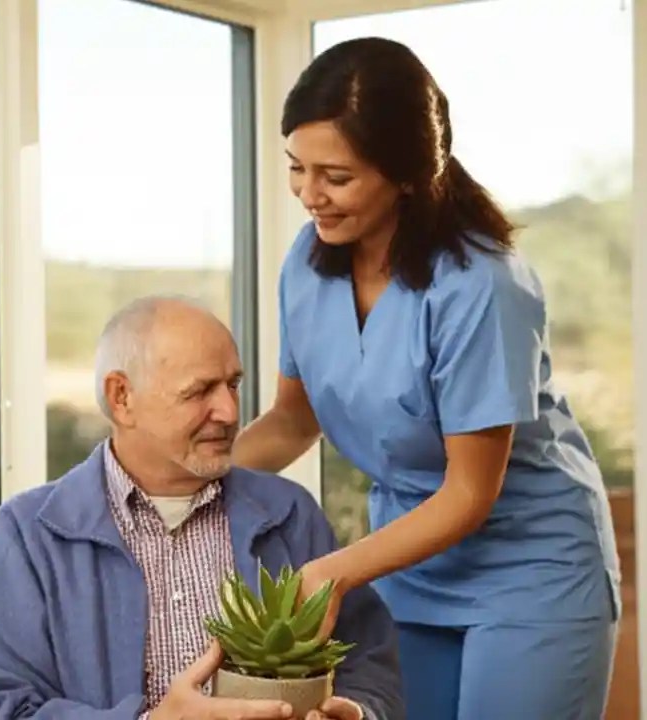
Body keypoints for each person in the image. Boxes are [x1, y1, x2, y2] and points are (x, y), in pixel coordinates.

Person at [231, 37, 621, 720]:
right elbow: (294, 419)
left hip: (531, 573)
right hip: (408, 568)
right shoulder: (310, 260)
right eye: (298, 168)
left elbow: (470, 491)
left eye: (337, 176)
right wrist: (183, 475)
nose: (309, 195)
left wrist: (329, 574)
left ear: (407, 173)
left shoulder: (482, 284)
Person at [0, 296, 403, 720]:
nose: (227, 411)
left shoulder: (290, 515)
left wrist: (356, 713)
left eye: (233, 384)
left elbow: (370, 660)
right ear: (122, 398)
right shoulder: (26, 537)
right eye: (198, 391)